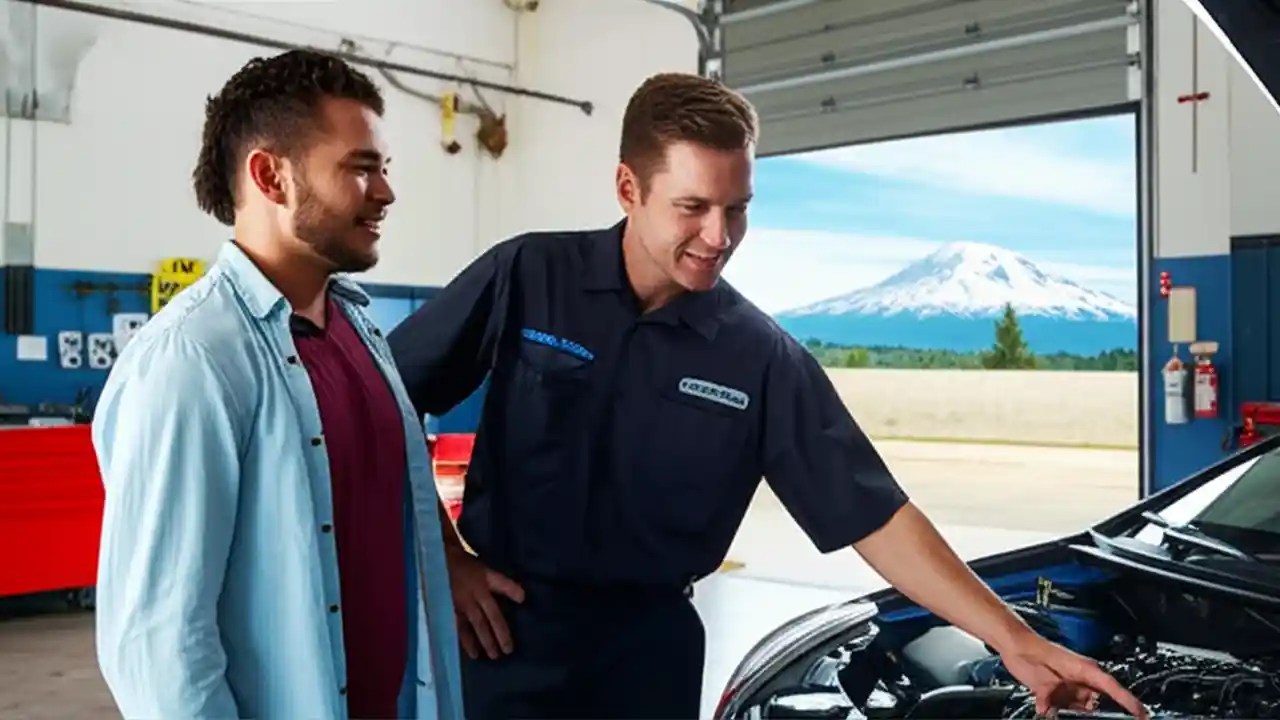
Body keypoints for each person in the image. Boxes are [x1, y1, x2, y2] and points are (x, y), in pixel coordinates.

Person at [387, 73, 1148, 720]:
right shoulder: (527, 276)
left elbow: (874, 513)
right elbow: (380, 401)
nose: (720, 236)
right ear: (628, 189)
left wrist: (1014, 639)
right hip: (502, 631)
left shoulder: (759, 356)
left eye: (738, 208)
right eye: (693, 207)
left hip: (649, 653)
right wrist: (443, 557)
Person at [91, 49, 461, 720]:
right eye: (360, 168)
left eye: (384, 168)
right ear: (271, 175)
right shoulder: (193, 358)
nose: (385, 192)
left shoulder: (359, 331)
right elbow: (158, 645)